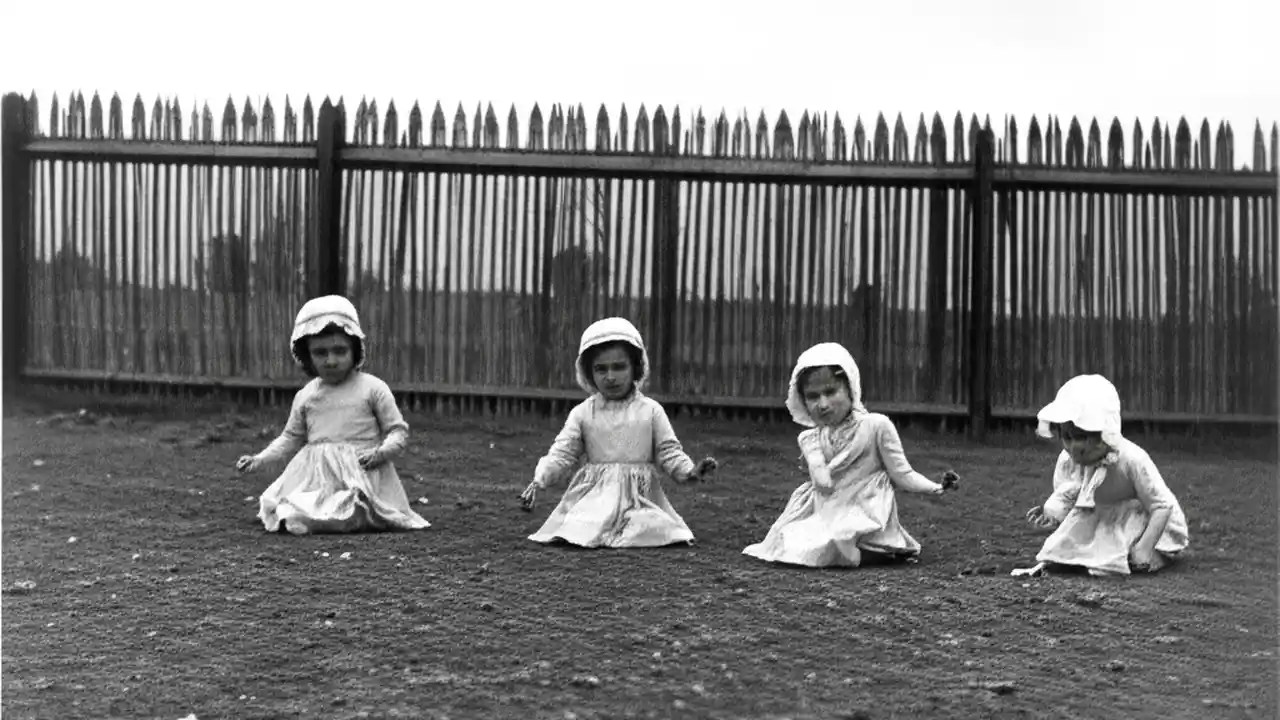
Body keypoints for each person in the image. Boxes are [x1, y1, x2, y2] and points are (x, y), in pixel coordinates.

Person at [743, 342, 958, 567]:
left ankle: (868, 547)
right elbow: (823, 484)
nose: (823, 404)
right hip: (828, 508)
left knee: (840, 537)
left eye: (831, 392)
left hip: (864, 507)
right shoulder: (811, 438)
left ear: (850, 388)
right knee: (789, 539)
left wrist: (935, 487)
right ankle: (848, 548)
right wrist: (814, 458)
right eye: (813, 397)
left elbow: (902, 473)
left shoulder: (876, 426)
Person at [236, 295, 430, 535]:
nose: (331, 361)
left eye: (340, 351)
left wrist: (381, 453)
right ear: (306, 356)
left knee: (354, 508)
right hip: (317, 477)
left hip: (359, 473)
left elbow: (397, 431)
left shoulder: (373, 388)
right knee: (292, 509)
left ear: (355, 350)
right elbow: (291, 437)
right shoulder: (306, 396)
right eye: (320, 353)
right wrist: (259, 459)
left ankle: (350, 510)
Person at [519, 317, 716, 548]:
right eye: (601, 369)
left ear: (636, 367)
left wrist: (690, 471)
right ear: (588, 373)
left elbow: (668, 451)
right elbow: (563, 452)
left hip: (640, 499)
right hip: (595, 496)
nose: (610, 377)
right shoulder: (583, 413)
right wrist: (539, 479)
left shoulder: (651, 411)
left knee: (653, 527)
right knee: (583, 525)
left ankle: (633, 527)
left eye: (619, 367)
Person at [1011, 374, 1189, 577]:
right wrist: (1054, 514)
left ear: (1104, 431)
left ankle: (1138, 555)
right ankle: (1077, 559)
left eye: (1082, 437)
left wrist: (1144, 548)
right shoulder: (1068, 461)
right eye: (1067, 437)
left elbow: (1161, 506)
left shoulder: (1131, 460)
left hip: (1142, 518)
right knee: (1070, 547)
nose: (1073, 447)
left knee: (1129, 547)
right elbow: (1068, 497)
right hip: (1101, 516)